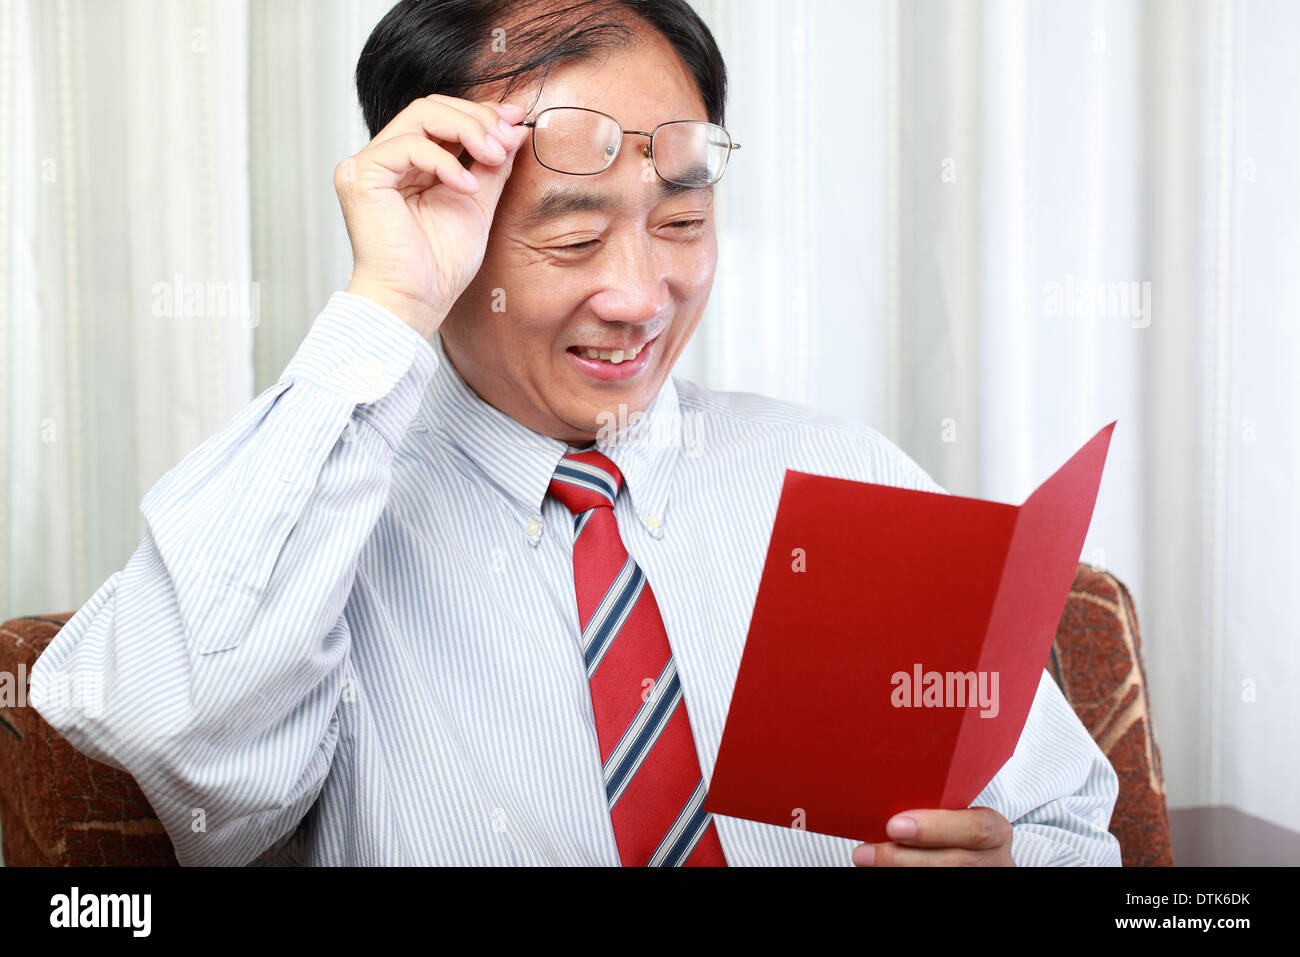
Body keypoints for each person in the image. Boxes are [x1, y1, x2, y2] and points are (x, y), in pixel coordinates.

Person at [29, 0, 1121, 866]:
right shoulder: (320, 513)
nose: (642, 295)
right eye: (573, 235)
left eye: (682, 222)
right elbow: (176, 733)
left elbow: (1071, 831)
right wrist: (383, 308)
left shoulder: (846, 475)